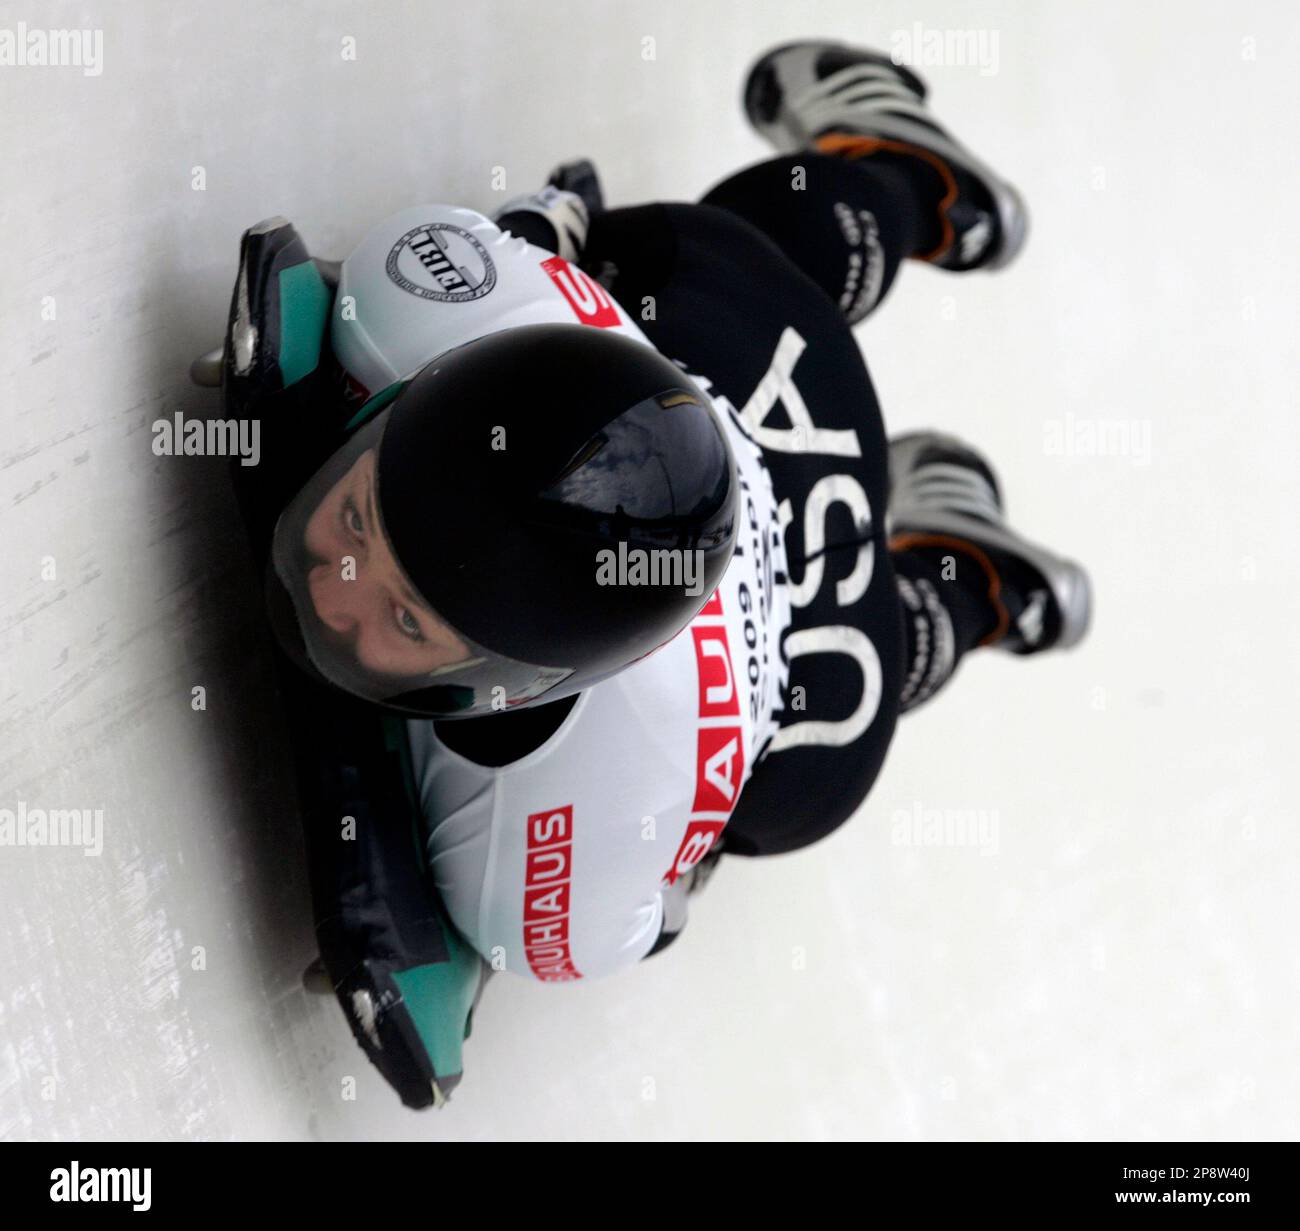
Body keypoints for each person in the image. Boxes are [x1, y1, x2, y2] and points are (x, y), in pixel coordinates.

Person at [212, 40, 1091, 1106]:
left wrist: (681, 857)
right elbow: (535, 241)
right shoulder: (428, 290)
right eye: (353, 509)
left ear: (516, 679)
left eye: (401, 615)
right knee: (712, 261)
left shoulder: (579, 839)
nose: (331, 592)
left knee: (828, 747)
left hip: (796, 645)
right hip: (746, 349)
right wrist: (560, 238)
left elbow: (640, 916)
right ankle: (904, 186)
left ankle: (956, 576)